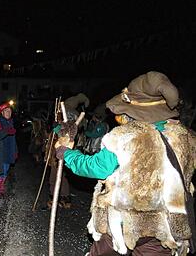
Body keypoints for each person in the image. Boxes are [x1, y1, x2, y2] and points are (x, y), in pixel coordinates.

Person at [55, 71, 196, 255]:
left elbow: (97, 167)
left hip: (124, 224)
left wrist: (67, 153)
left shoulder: (125, 137)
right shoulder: (186, 136)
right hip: (166, 227)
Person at [0, 102, 17, 198]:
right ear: (2, 113)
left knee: (6, 170)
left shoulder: (10, 122)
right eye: (6, 111)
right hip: (2, 152)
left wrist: (15, 150)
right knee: (1, 171)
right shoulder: (0, 123)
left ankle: (1, 187)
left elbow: (13, 139)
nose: (8, 112)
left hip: (9, 151)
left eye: (9, 111)